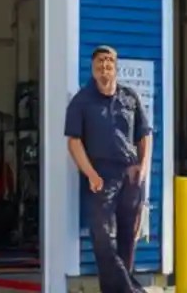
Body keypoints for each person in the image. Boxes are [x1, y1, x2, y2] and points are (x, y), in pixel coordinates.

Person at [64, 45, 153, 293]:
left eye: (109, 62)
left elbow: (144, 135)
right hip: (101, 176)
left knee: (128, 237)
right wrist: (90, 174)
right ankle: (130, 289)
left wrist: (143, 167)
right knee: (101, 236)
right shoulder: (82, 101)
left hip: (130, 175)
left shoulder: (130, 97)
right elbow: (73, 142)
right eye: (100, 62)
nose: (105, 66)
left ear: (115, 67)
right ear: (93, 69)